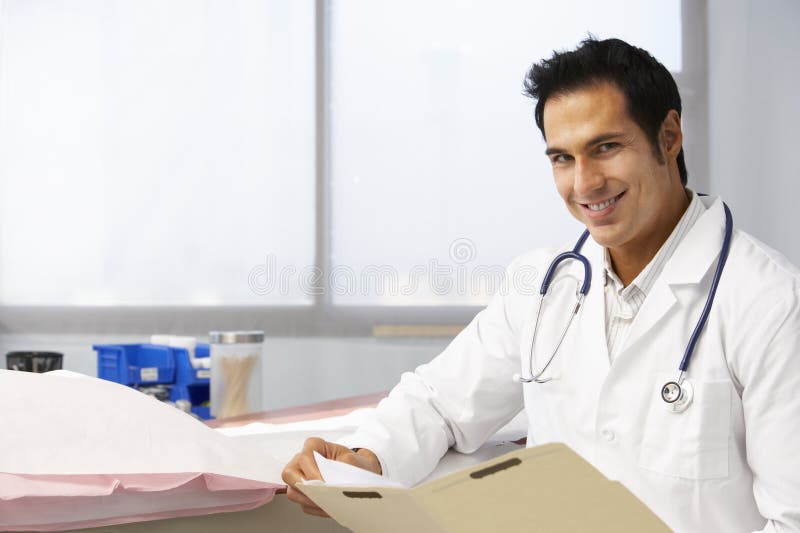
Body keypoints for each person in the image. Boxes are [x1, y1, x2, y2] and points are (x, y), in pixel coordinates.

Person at [282, 37, 800, 532]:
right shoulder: (542, 286)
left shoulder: (769, 302)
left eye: (606, 147)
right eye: (562, 158)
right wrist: (363, 461)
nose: (585, 183)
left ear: (668, 136)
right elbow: (440, 403)